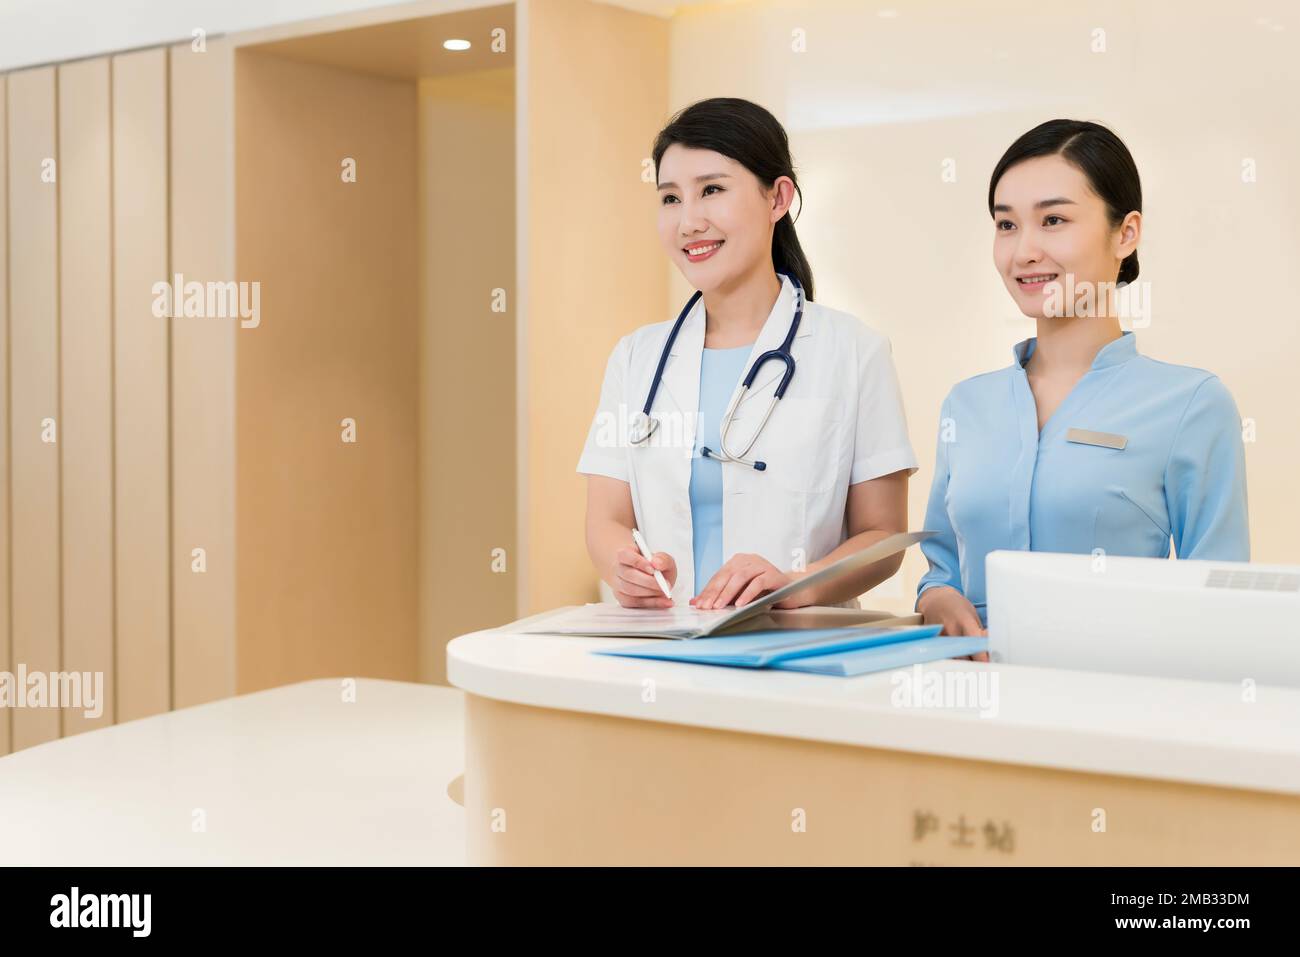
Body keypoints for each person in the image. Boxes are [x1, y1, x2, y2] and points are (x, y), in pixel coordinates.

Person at [578, 98, 918, 610]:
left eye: (711, 190)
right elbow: (605, 520)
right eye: (670, 198)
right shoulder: (636, 358)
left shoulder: (854, 352)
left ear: (778, 198)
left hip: (794, 658)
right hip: (664, 649)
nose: (688, 221)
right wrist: (624, 569)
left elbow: (884, 538)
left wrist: (794, 584)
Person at [918, 119, 1250, 641]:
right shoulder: (967, 405)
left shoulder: (1191, 405)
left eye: (1053, 220)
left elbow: (1221, 601)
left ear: (1126, 232)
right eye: (1006, 225)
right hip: (974, 705)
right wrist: (936, 597)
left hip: (1115, 704)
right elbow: (941, 570)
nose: (1024, 250)